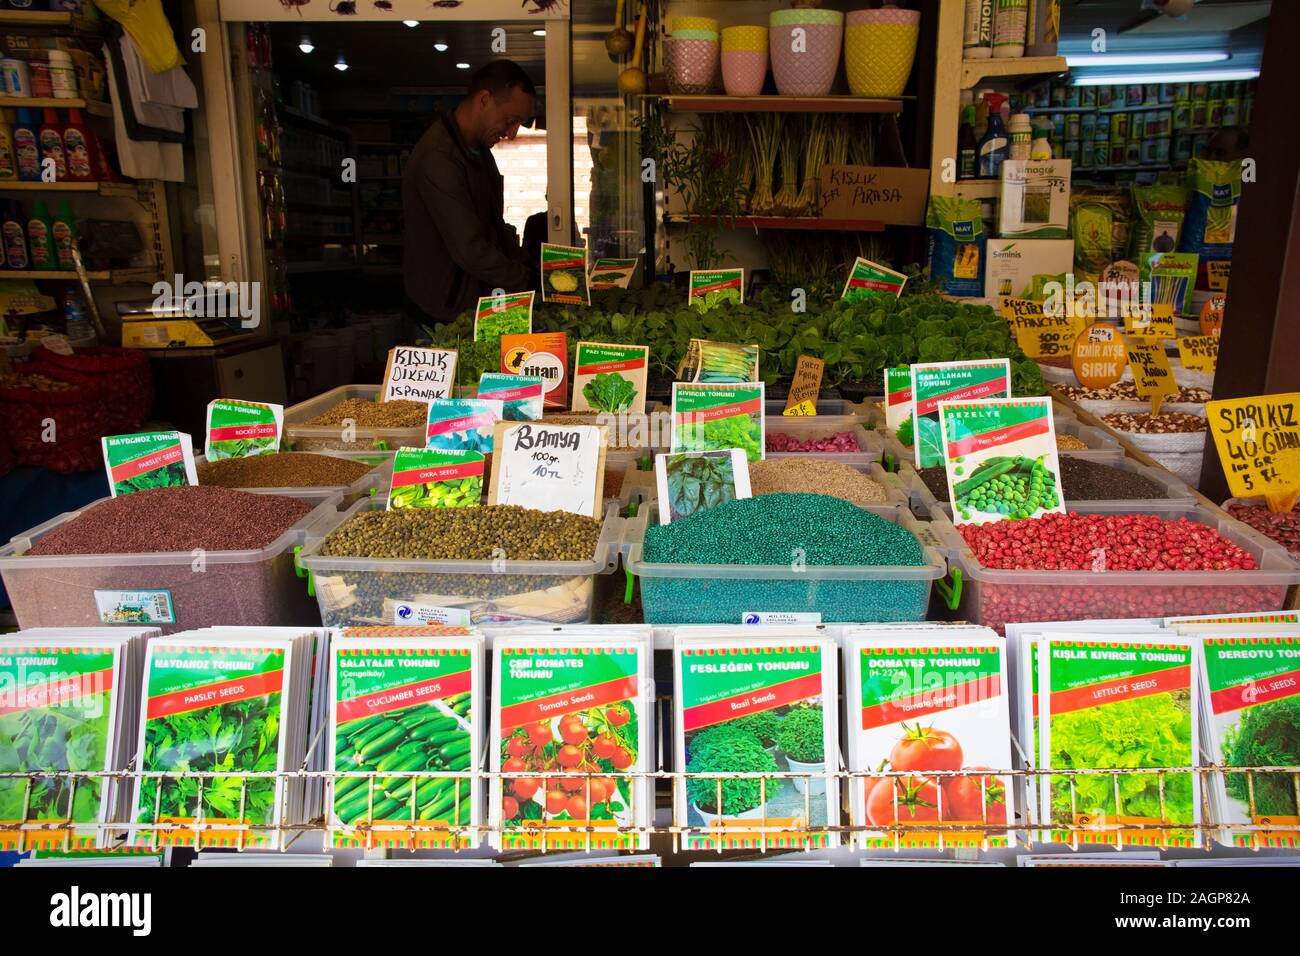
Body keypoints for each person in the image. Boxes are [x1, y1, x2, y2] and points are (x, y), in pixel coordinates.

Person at [402, 59, 536, 340]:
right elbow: (470, 248)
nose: (511, 133)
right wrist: (527, 280)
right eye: (511, 120)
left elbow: (493, 225)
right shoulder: (439, 157)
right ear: (484, 100)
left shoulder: (477, 151)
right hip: (438, 319)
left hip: (469, 310)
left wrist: (527, 262)